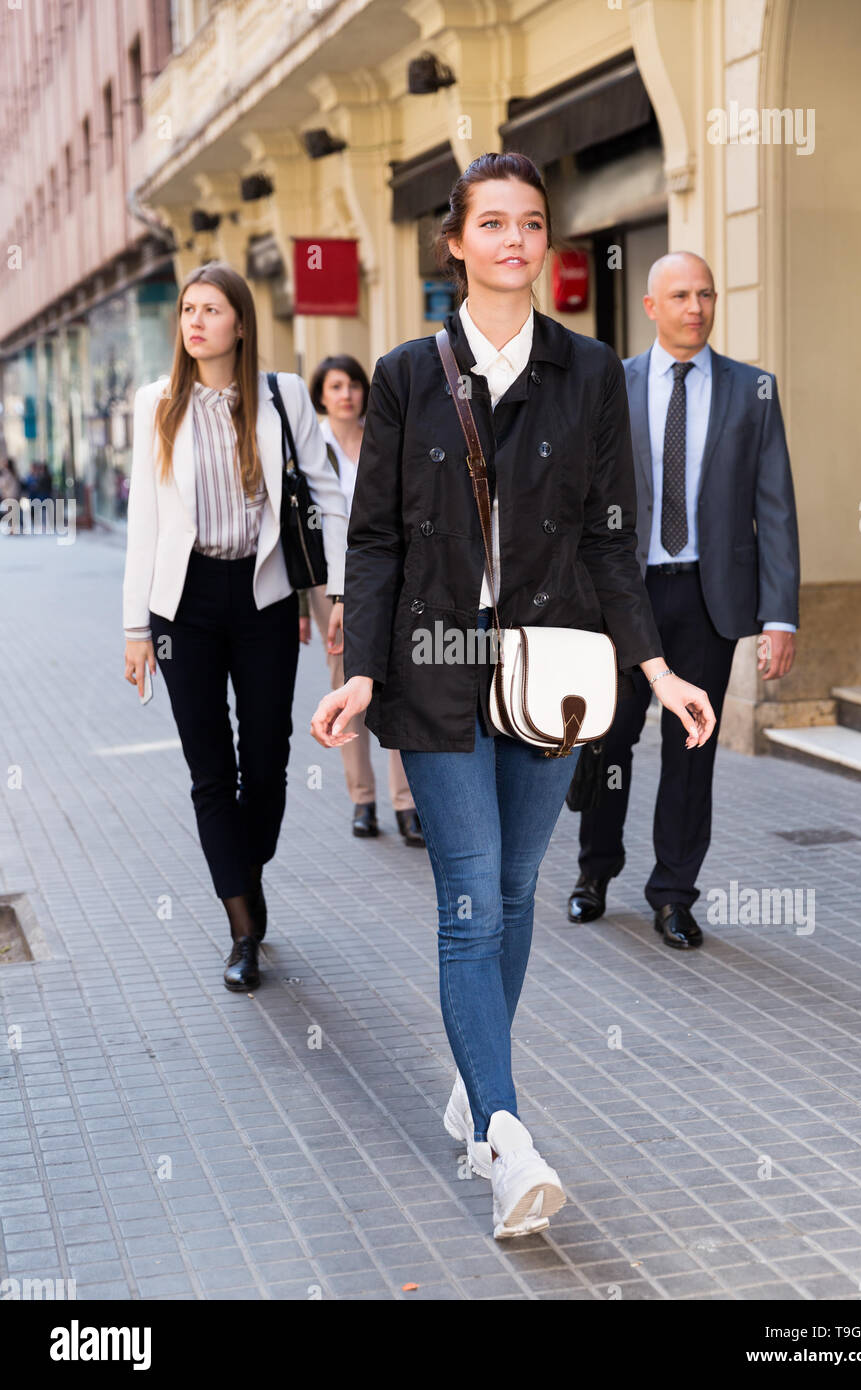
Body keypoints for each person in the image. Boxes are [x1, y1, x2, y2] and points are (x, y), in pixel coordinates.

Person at [310, 153, 715, 1240]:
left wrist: (657, 669)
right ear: (456, 243)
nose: (513, 240)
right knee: (472, 893)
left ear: (546, 242)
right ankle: (507, 1137)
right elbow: (379, 535)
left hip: (554, 667)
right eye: (490, 223)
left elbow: (611, 541)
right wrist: (359, 671)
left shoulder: (589, 374)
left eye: (530, 223)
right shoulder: (404, 374)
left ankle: (471, 1077)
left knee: (522, 885)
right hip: (435, 663)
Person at [122, 261, 348, 992]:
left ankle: (245, 870)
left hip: (264, 596)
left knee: (268, 757)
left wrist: (336, 592)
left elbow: (325, 491)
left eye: (210, 309)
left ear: (240, 324)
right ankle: (243, 929)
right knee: (209, 772)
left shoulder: (281, 396)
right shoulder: (155, 402)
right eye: (187, 309)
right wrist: (134, 629)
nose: (193, 321)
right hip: (181, 605)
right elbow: (143, 523)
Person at [567, 252, 800, 947]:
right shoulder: (614, 384)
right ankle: (593, 871)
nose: (693, 307)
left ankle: (672, 892)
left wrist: (778, 614)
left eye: (704, 294)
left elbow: (775, 505)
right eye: (678, 295)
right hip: (621, 598)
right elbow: (581, 497)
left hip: (709, 598)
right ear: (650, 307)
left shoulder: (752, 390)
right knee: (608, 742)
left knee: (689, 749)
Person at [298, 355, 423, 847]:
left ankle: (406, 803)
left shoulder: (382, 436)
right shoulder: (311, 449)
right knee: (346, 687)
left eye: (353, 385)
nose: (347, 394)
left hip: (389, 577)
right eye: (335, 386)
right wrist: (299, 610)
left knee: (399, 684)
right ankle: (362, 799)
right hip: (331, 585)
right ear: (321, 396)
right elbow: (297, 532)